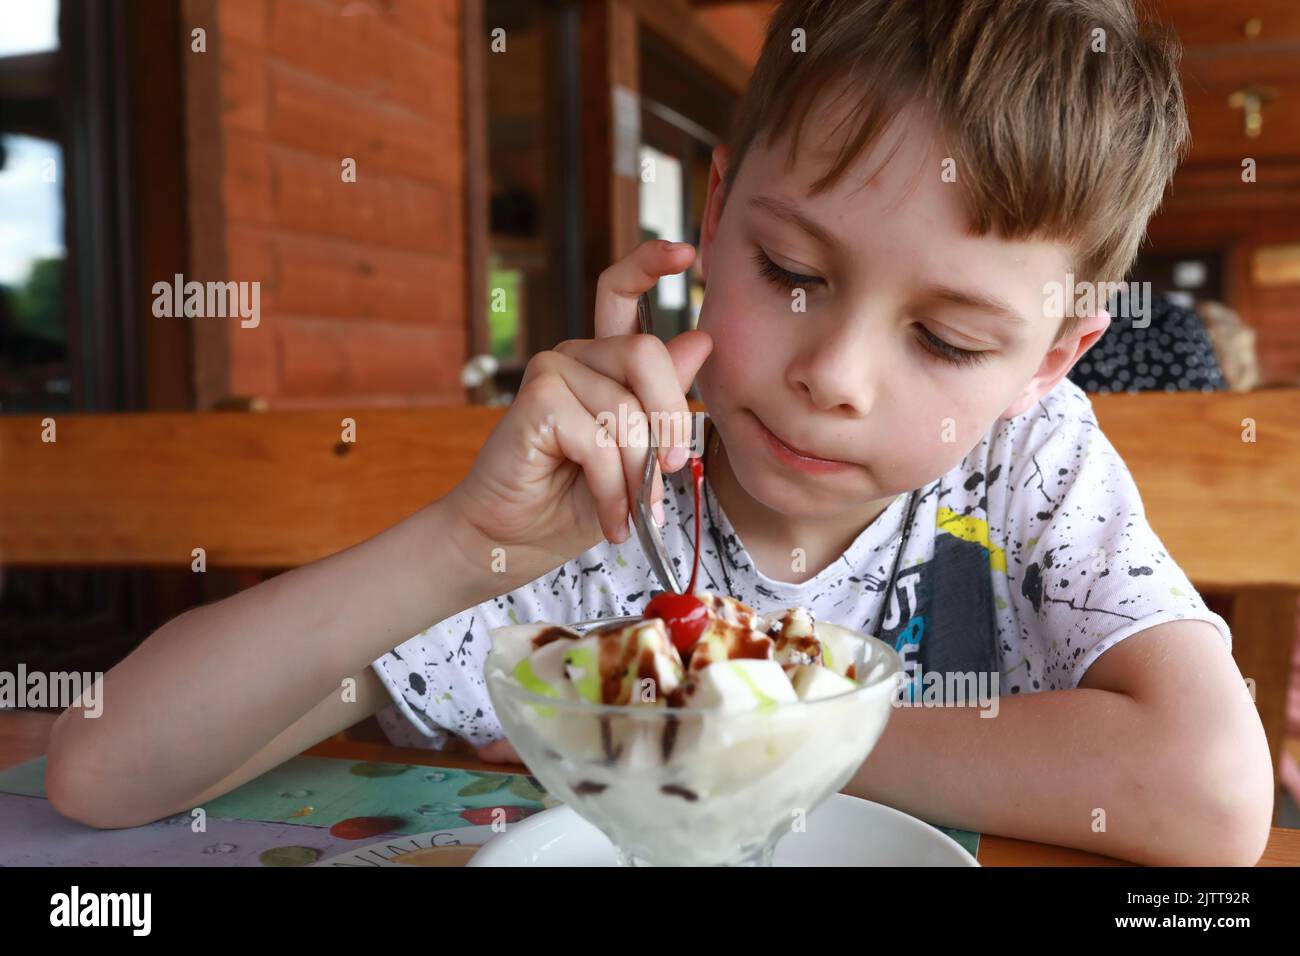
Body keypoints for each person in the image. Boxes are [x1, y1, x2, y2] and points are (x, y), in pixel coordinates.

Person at [45, 0, 1273, 865]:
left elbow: (1212, 797)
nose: (832, 375)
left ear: (1047, 360)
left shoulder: (1029, 466)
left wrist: (751, 734)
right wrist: (466, 541)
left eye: (947, 341)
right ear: (717, 211)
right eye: (791, 269)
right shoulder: (590, 499)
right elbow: (102, 773)